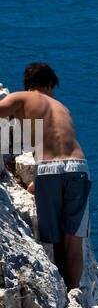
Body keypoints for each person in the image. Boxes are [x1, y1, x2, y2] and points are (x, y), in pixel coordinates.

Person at [0, 62, 90, 291]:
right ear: (49, 85)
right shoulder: (62, 107)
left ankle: (60, 294)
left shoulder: (21, 98)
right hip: (77, 167)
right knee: (74, 239)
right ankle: (74, 294)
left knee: (54, 240)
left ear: (28, 84)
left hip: (48, 168)